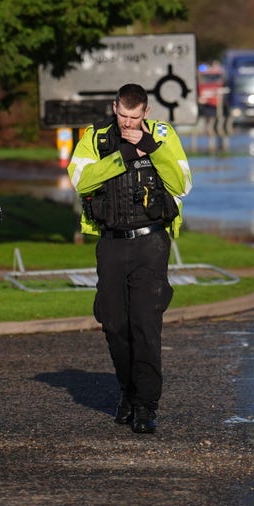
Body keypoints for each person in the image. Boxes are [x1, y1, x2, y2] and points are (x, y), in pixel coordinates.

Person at [67, 83, 192, 434]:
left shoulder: (163, 136)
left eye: (134, 117)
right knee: (115, 326)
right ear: (114, 107)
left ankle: (146, 404)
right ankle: (127, 390)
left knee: (145, 326)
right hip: (111, 244)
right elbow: (80, 180)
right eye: (122, 115)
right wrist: (124, 156)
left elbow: (181, 183)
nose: (126, 123)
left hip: (150, 243)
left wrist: (150, 149)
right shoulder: (96, 138)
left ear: (146, 113)